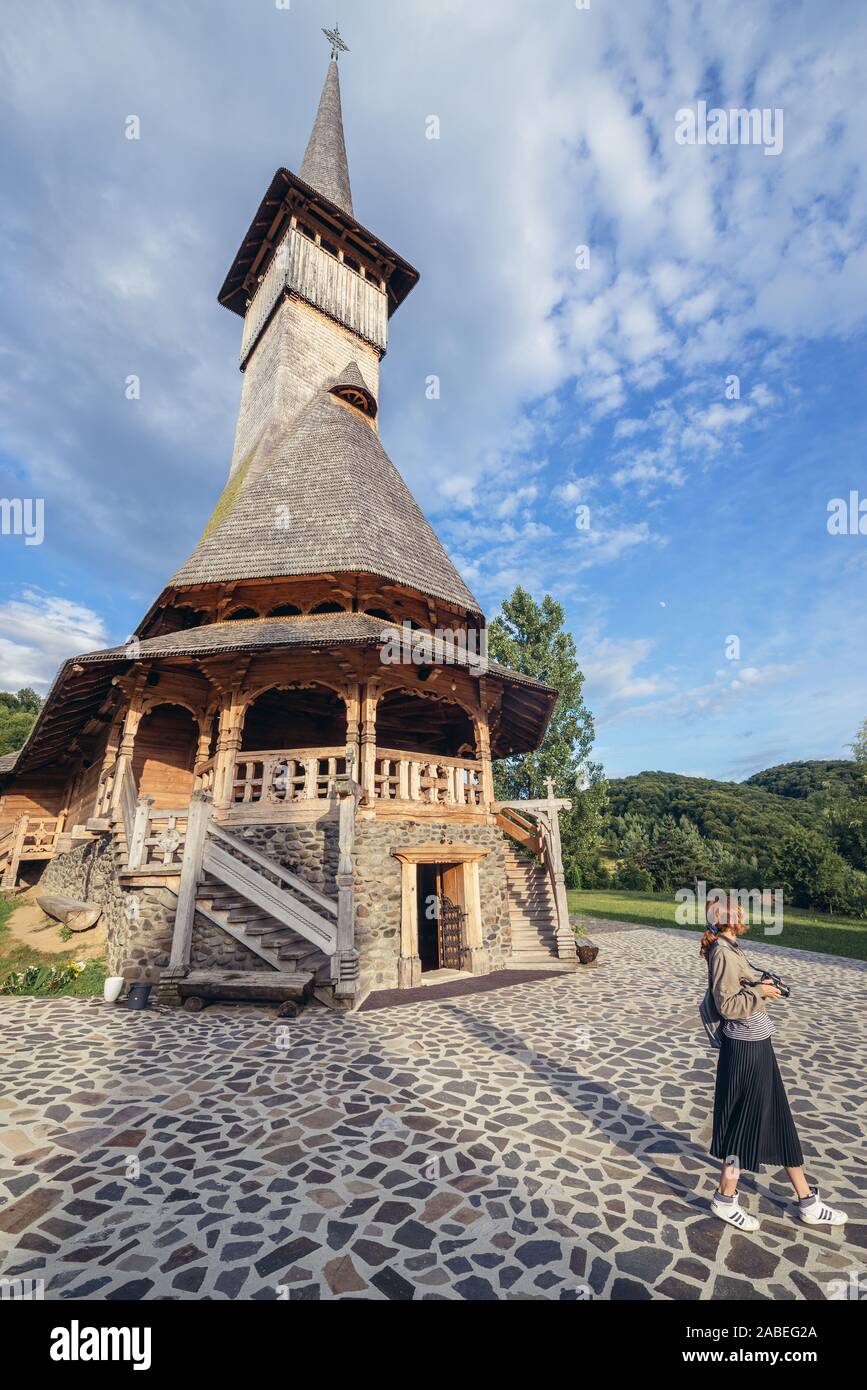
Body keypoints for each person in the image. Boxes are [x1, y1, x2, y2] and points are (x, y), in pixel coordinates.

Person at [701, 894, 847, 1230]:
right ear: (727, 917)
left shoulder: (731, 946)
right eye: (739, 911)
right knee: (741, 1124)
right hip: (744, 1049)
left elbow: (741, 986)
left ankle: (808, 1201)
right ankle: (725, 1198)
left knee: (780, 1119)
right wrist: (760, 993)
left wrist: (762, 983)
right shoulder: (722, 951)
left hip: (758, 1042)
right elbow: (727, 1006)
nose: (744, 915)